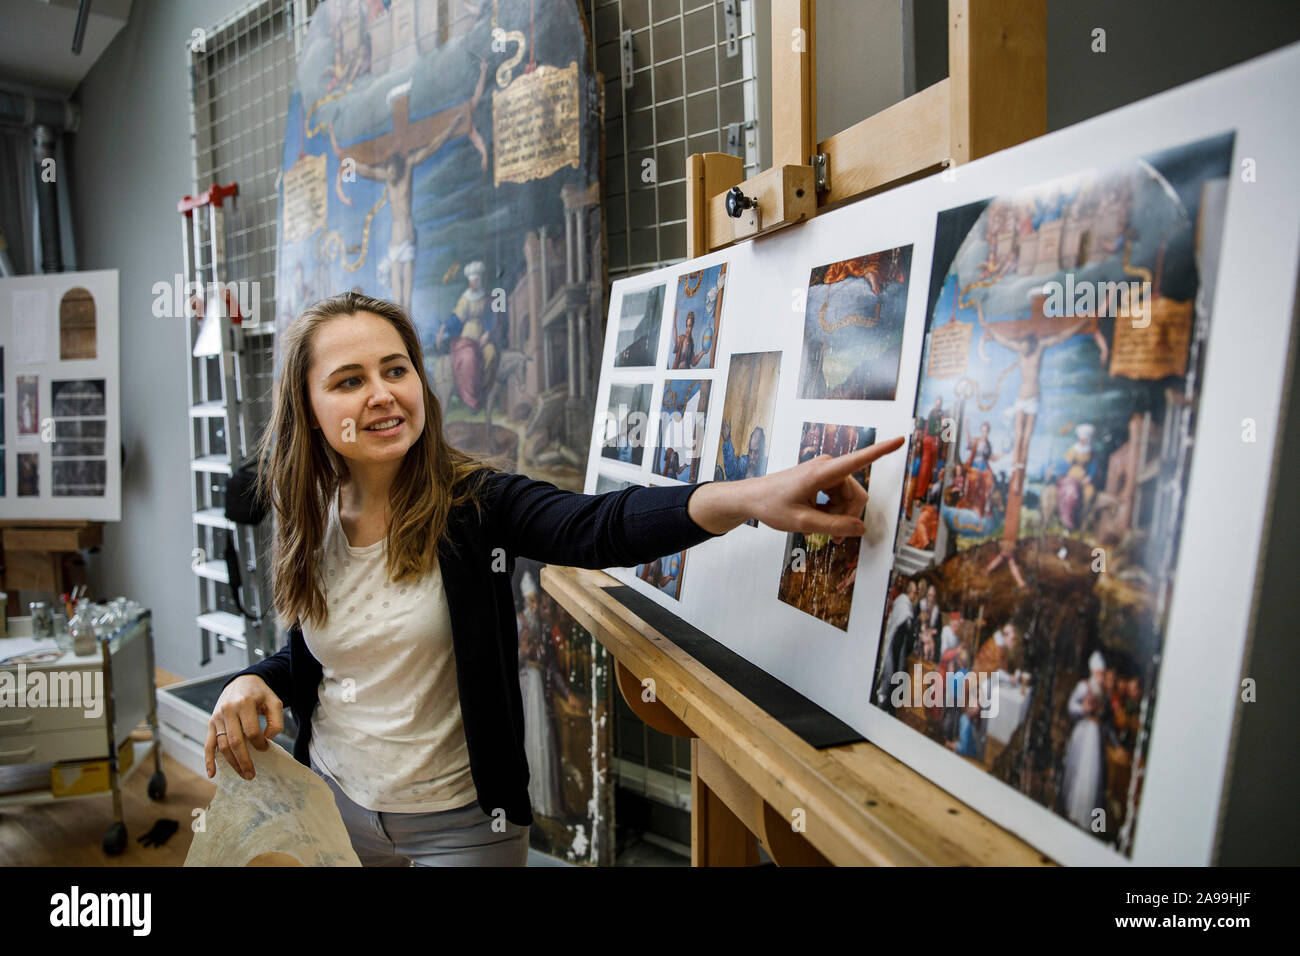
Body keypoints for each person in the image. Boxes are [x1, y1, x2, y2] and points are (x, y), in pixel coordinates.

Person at [205, 290, 904, 867]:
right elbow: (315, 661)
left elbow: (598, 525)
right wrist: (256, 678)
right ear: (310, 408)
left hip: (463, 827)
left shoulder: (475, 504)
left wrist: (746, 498)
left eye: (396, 370)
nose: (383, 395)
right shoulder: (310, 516)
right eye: (350, 380)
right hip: (336, 807)